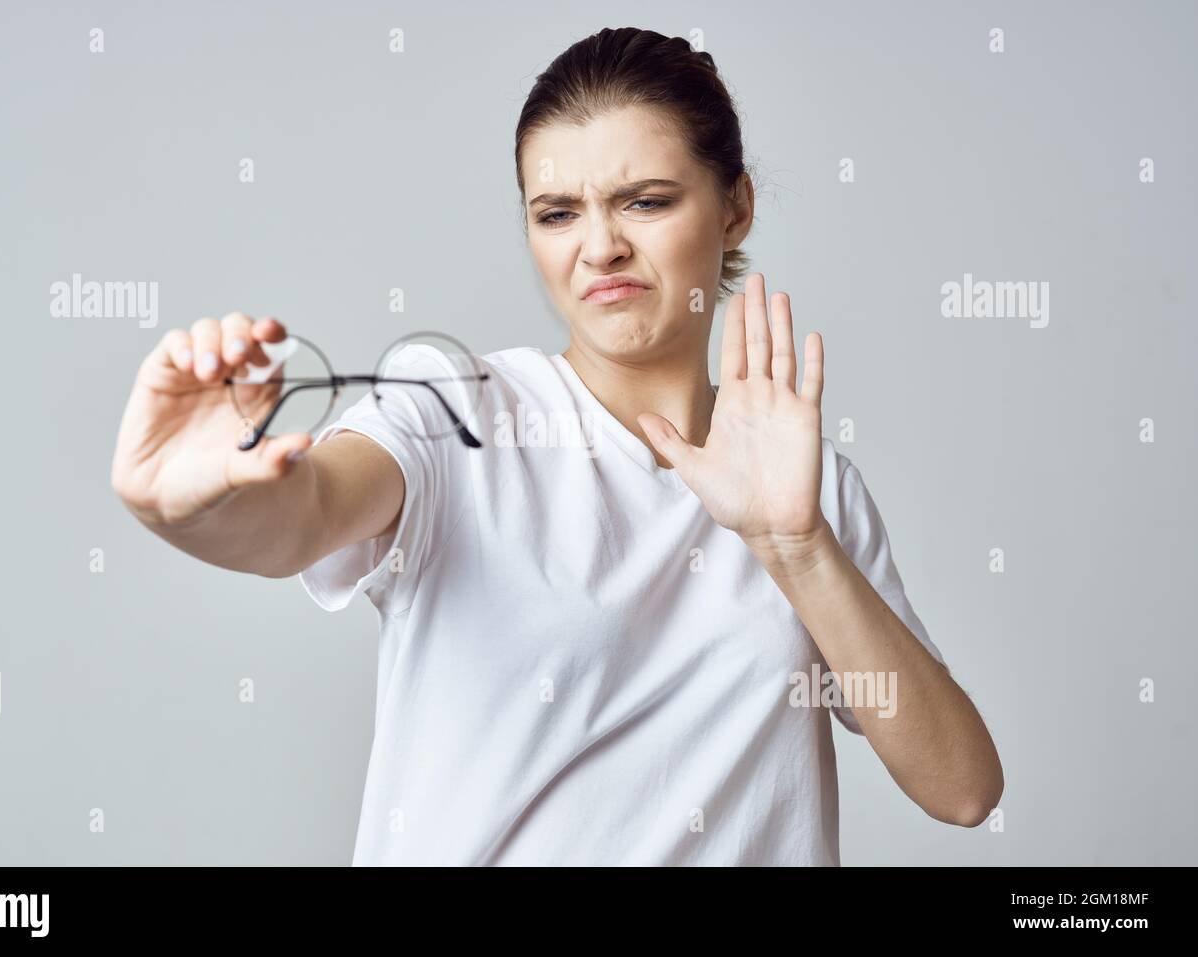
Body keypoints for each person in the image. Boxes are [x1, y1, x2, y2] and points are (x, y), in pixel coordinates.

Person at [111, 27, 1002, 866]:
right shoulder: (459, 407)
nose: (600, 248)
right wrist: (196, 501)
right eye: (557, 213)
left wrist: (798, 549)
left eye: (645, 202)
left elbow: (963, 788)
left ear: (736, 207)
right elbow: (302, 514)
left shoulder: (809, 490)